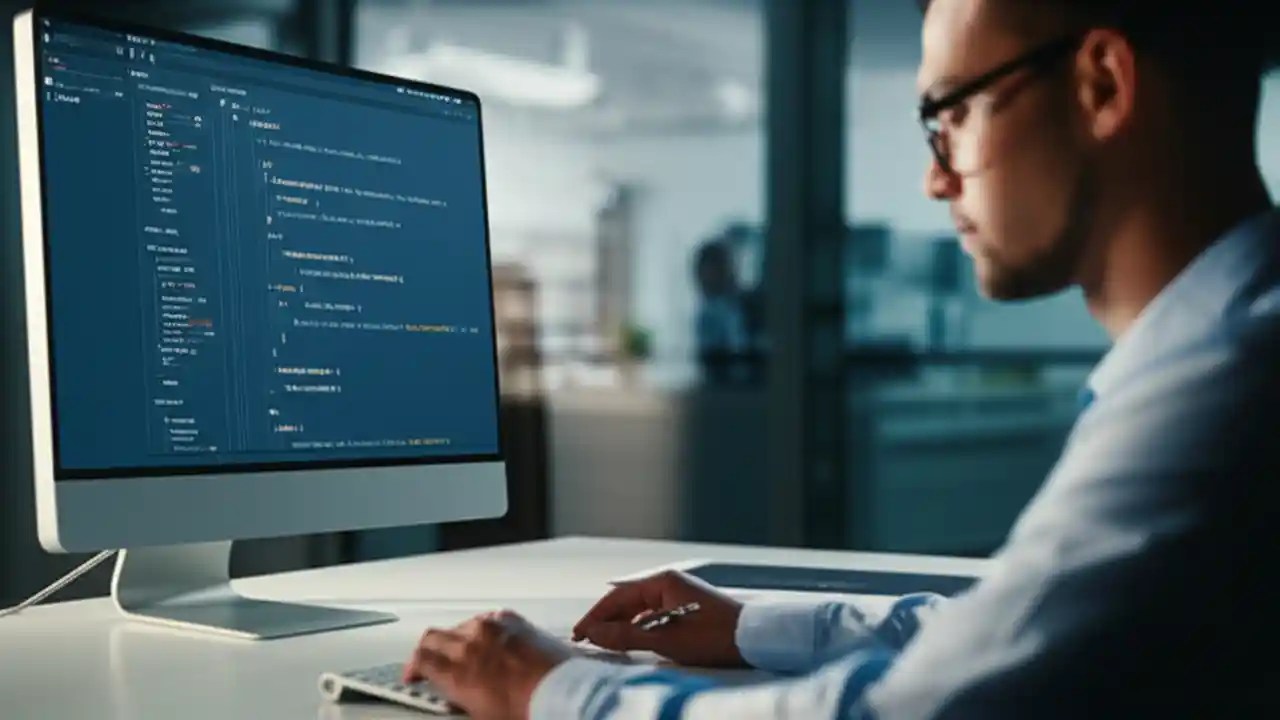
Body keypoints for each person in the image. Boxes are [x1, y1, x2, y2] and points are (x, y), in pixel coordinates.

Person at [400, 0, 1280, 717]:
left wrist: (552, 688)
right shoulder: (1224, 346)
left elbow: (902, 714)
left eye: (955, 113)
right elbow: (1022, 630)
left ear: (1100, 83)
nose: (938, 178)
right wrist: (751, 625)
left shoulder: (1222, 395)